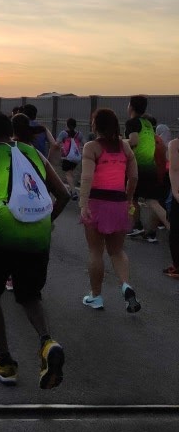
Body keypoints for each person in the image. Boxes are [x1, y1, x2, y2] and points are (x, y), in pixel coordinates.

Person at [0, 112, 69, 389]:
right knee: (30, 296)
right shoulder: (33, 152)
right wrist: (43, 222)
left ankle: (6, 362)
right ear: (11, 131)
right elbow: (64, 194)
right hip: (38, 237)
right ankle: (47, 341)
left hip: (1, 236)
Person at [78, 108, 140, 311]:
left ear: (95, 125)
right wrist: (128, 198)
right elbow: (134, 177)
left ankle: (96, 296)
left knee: (96, 251)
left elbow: (86, 177)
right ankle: (126, 285)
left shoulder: (91, 147)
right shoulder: (125, 148)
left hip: (97, 202)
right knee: (117, 251)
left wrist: (83, 203)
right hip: (119, 203)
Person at [125, 96, 169, 240]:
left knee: (131, 197)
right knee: (152, 201)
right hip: (151, 167)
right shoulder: (148, 124)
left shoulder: (132, 122)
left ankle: (136, 225)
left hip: (137, 166)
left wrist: (118, 140)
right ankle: (166, 227)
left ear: (131, 106)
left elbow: (133, 141)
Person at [57, 117, 84, 199]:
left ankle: (73, 192)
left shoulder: (63, 133)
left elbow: (57, 143)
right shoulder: (79, 134)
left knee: (68, 174)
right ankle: (71, 189)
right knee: (71, 173)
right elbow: (85, 143)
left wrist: (61, 147)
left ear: (67, 125)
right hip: (76, 157)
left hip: (67, 157)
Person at [166, 133, 179, 279]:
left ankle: (177, 266)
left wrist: (176, 192)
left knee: (176, 231)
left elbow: (175, 169)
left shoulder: (175, 145)